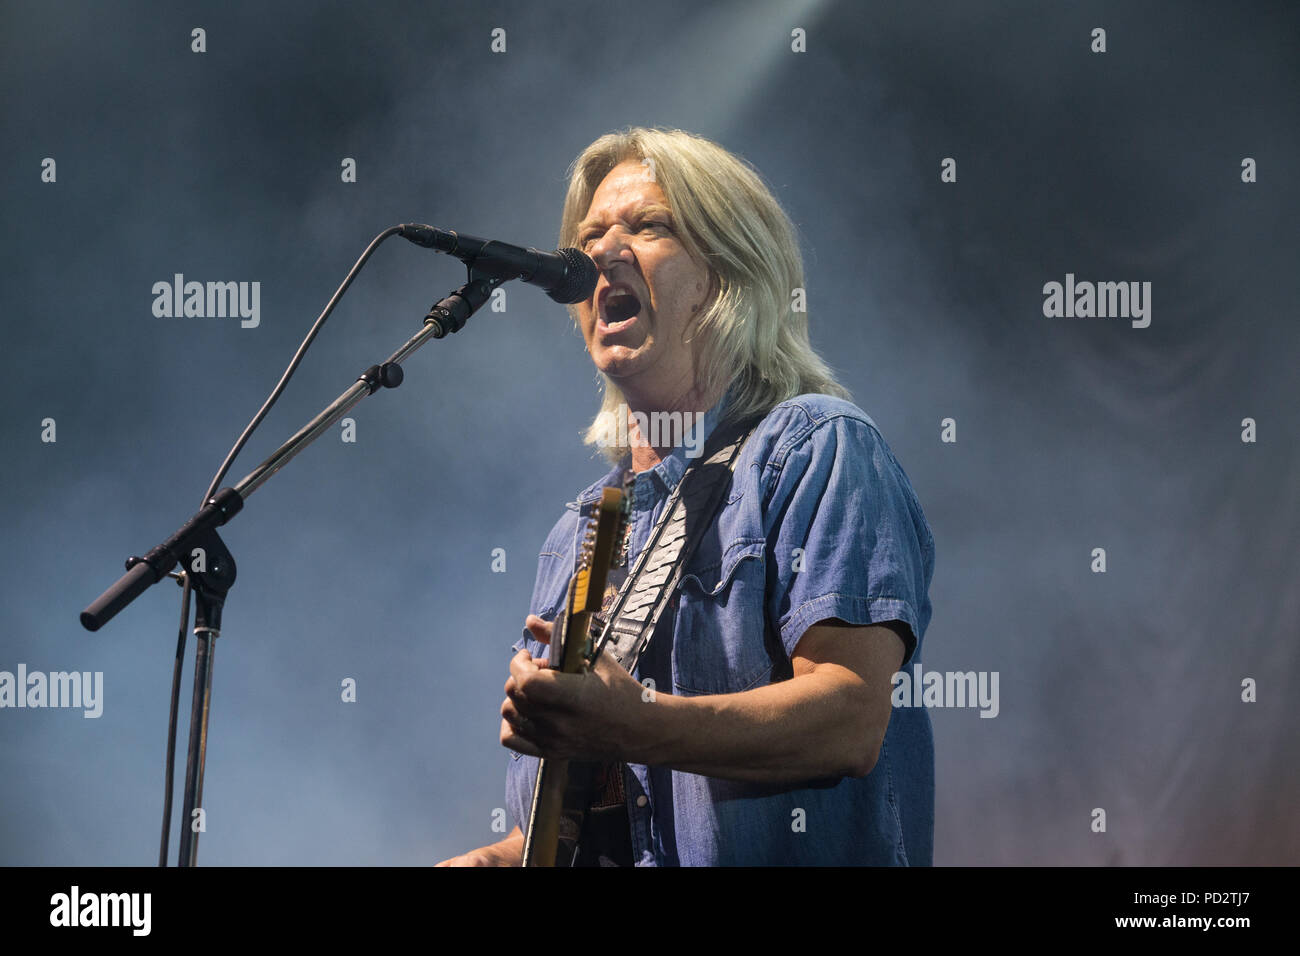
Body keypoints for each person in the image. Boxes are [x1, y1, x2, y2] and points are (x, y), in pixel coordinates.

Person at [437, 127, 935, 866]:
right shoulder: (578, 530)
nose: (601, 253)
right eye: (591, 235)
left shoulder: (814, 446)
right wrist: (499, 859)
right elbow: (596, 815)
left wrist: (628, 721)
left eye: (648, 226)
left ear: (731, 274)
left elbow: (847, 720)